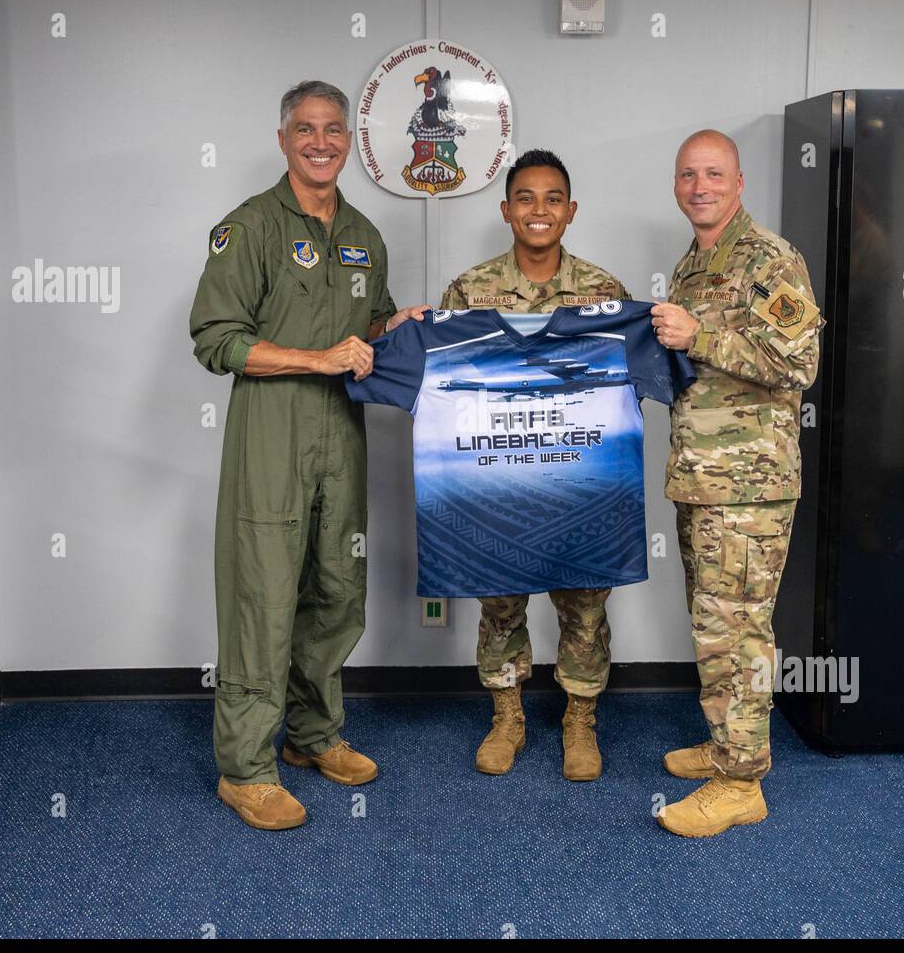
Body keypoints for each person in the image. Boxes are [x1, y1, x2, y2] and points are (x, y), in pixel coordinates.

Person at [188, 80, 427, 830]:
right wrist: (316, 359)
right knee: (263, 599)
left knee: (335, 589)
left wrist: (401, 325)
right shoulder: (250, 227)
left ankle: (312, 734)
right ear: (284, 138)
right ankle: (245, 767)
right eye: (305, 129)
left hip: (341, 443)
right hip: (272, 438)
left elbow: (370, 330)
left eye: (333, 129)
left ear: (350, 140)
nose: (320, 141)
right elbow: (215, 338)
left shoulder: (363, 234)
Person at [650, 130, 824, 837]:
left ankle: (742, 780)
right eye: (688, 174)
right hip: (703, 480)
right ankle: (726, 742)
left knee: (741, 632)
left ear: (740, 181)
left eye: (714, 174)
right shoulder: (695, 263)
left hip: (749, 486)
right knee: (715, 626)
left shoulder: (768, 257)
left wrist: (698, 338)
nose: (700, 186)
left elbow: (800, 361)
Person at [439, 149, 631, 781]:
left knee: (583, 603)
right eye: (525, 197)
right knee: (500, 597)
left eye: (552, 198)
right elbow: (440, 376)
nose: (539, 210)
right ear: (506, 210)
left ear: (570, 211)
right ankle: (508, 716)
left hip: (581, 478)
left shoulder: (605, 292)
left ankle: (580, 720)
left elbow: (630, 377)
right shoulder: (470, 292)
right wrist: (407, 328)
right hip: (498, 477)